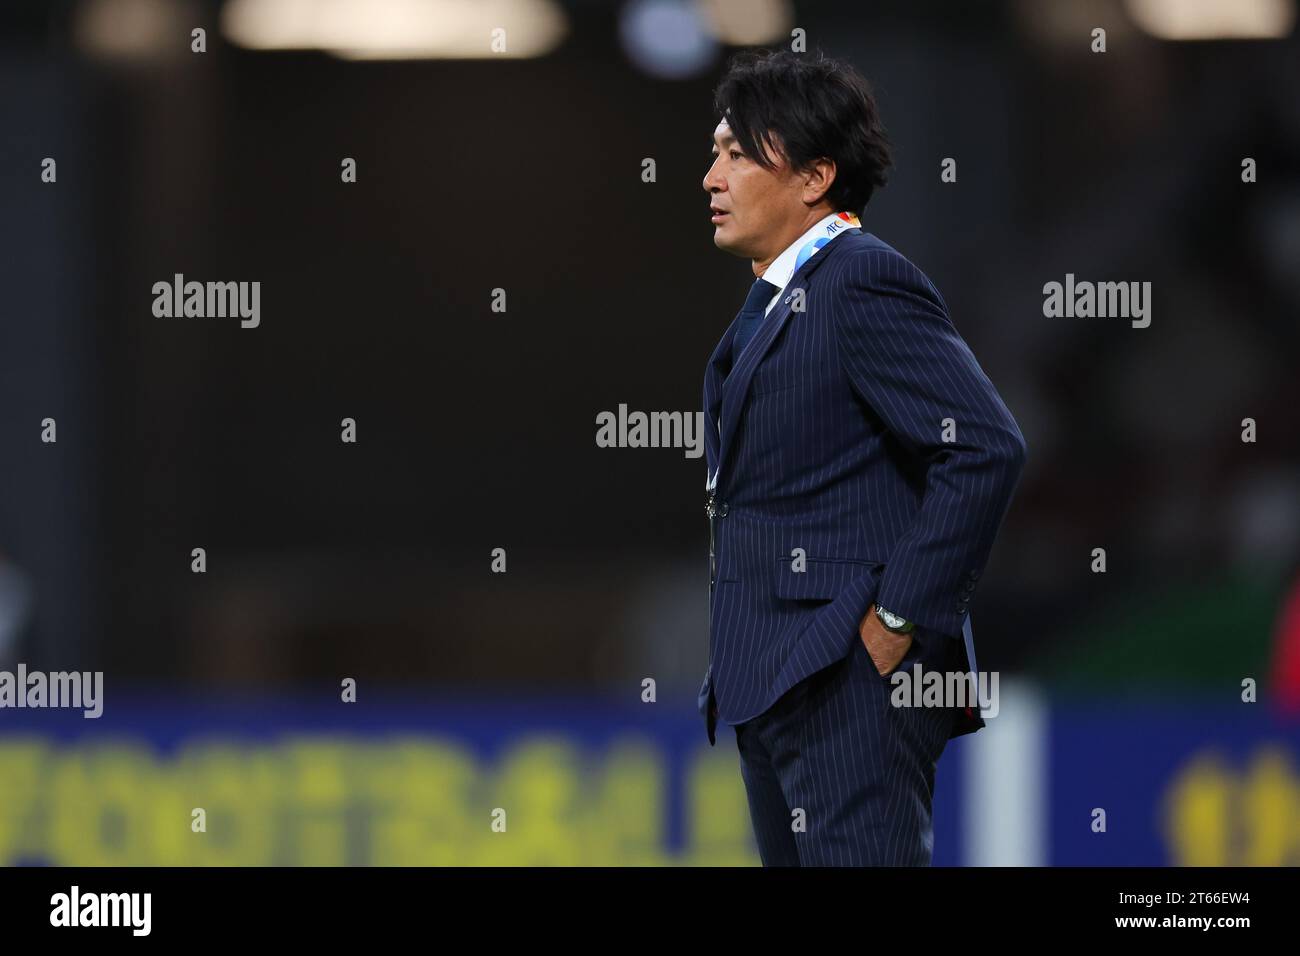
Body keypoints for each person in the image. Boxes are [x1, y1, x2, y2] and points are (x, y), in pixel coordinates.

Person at [698, 49, 1028, 866]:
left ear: (814, 177)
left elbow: (986, 447)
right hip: (776, 677)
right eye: (716, 152)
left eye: (738, 154)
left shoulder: (862, 280)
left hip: (848, 679)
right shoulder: (772, 300)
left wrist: (897, 621)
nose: (711, 176)